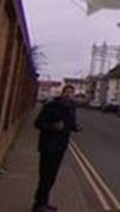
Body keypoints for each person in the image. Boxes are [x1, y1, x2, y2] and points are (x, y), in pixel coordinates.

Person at [32, 84, 80, 212]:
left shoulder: (72, 107)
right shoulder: (50, 106)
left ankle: (43, 202)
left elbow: (70, 124)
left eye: (71, 93)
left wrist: (75, 127)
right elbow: (38, 123)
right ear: (62, 93)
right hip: (48, 145)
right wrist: (52, 127)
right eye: (66, 92)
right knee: (45, 176)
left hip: (61, 146)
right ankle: (38, 205)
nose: (68, 95)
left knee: (52, 176)